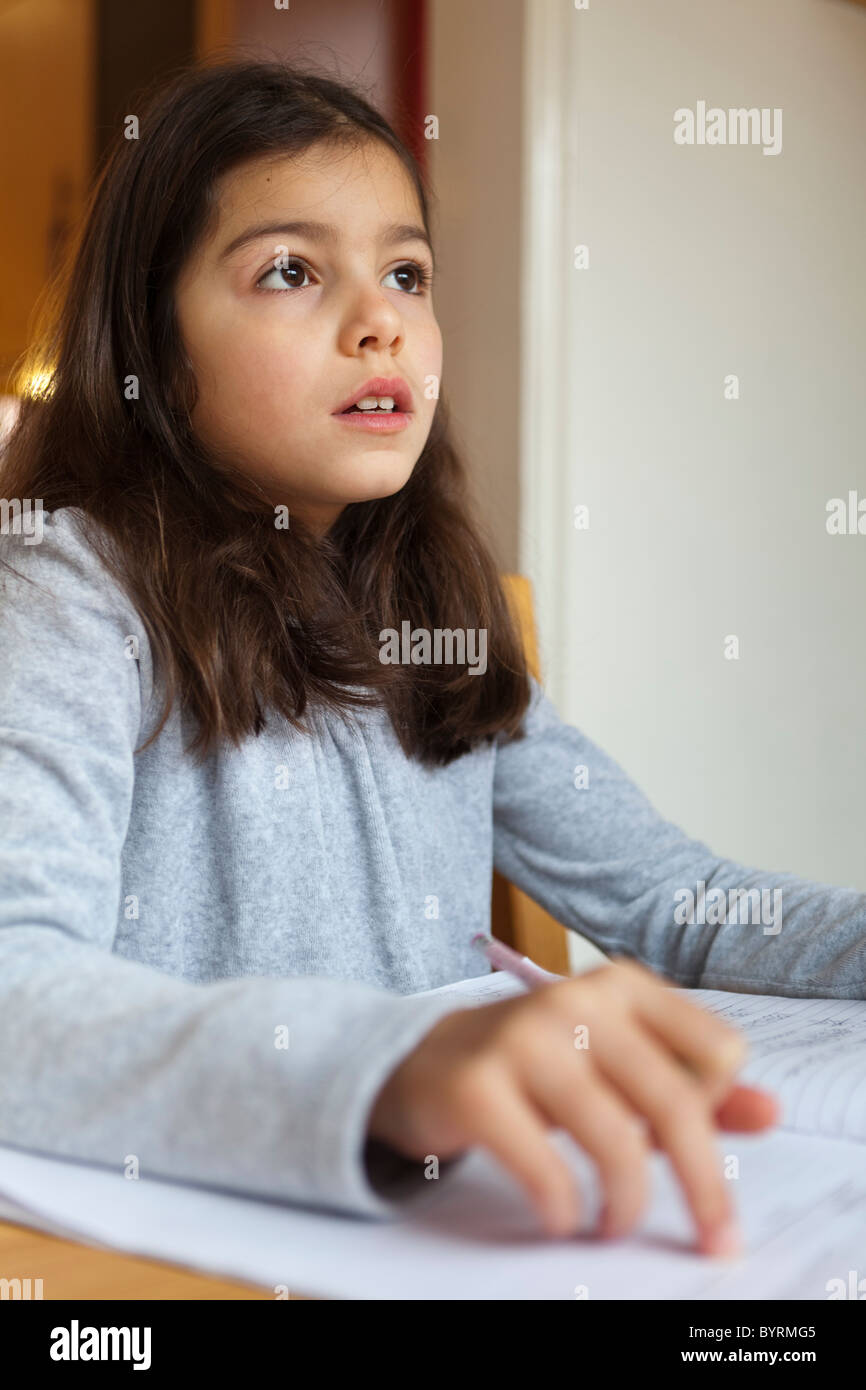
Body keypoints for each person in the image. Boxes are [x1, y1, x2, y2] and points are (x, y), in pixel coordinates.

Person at [1, 58, 860, 1263]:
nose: (381, 320)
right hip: (164, 1261)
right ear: (150, 342)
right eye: (291, 272)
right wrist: (388, 1067)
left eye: (405, 272)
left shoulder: (436, 611)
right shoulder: (66, 594)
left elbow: (679, 906)